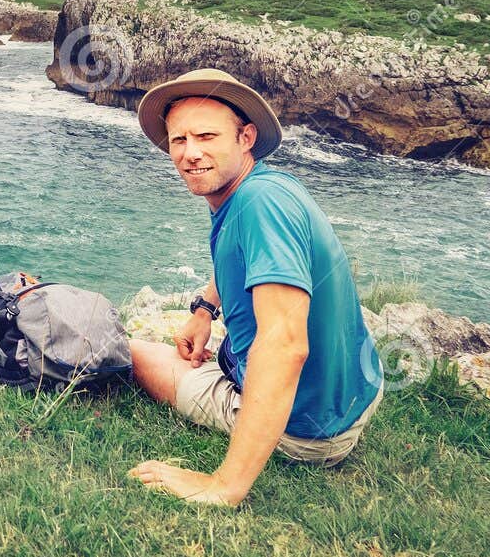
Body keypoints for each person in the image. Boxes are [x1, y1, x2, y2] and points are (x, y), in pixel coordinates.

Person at [125, 69, 384, 506]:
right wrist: (205, 310)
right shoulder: (263, 188)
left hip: (307, 431)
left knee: (130, 352)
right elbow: (244, 258)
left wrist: (223, 485)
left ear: (245, 137)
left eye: (206, 136)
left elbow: (284, 345)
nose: (191, 153)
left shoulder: (258, 205)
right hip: (355, 394)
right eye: (178, 140)